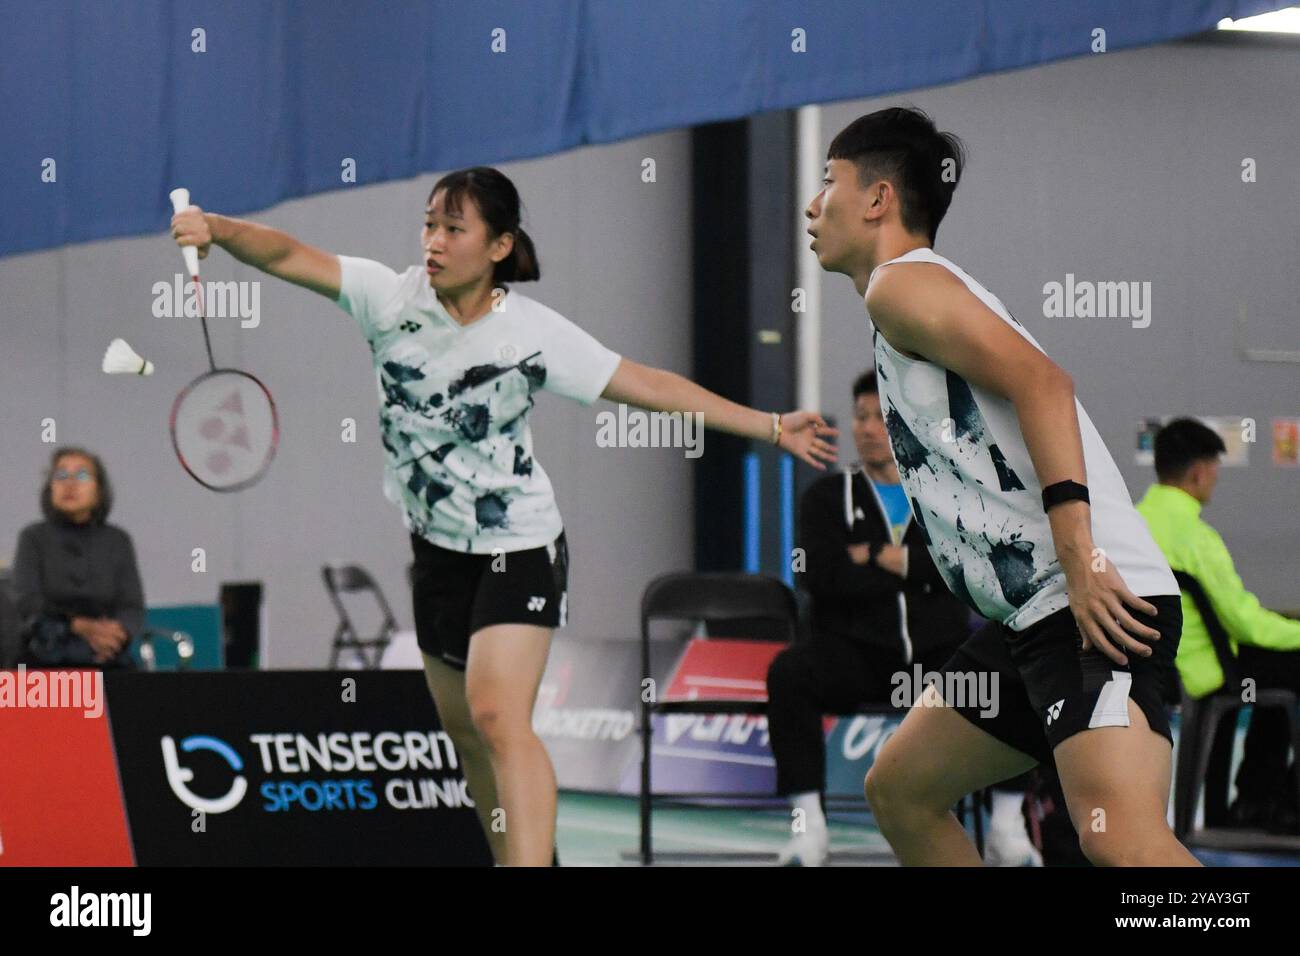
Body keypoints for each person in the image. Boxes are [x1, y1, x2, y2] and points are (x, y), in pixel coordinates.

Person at [171, 167, 837, 866]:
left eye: (453, 228)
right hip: (435, 550)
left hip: (518, 546)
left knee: (498, 716)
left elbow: (646, 384)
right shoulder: (385, 297)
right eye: (429, 223)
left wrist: (767, 426)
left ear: (498, 246)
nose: (433, 241)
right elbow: (287, 254)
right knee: (464, 734)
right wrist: (219, 229)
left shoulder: (531, 333)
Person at [804, 106, 1198, 866]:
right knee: (903, 789)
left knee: (1124, 846)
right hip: (1032, 619)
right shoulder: (912, 297)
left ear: (878, 198)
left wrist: (1080, 558)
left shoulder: (899, 286)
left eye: (830, 183)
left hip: (1088, 599)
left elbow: (1043, 383)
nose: (815, 205)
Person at [769, 369, 992, 864]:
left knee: (1006, 675)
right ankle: (809, 828)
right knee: (789, 672)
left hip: (934, 661)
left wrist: (873, 556)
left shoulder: (942, 494)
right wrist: (916, 571)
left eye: (879, 417)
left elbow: (964, 570)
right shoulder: (825, 498)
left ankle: (1012, 828)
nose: (867, 428)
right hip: (853, 657)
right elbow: (821, 577)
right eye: (860, 417)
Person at [1136, 417, 1300, 833]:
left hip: (1154, 669)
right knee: (1289, 667)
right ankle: (1265, 800)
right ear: (1199, 471)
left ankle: (1255, 799)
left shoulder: (1132, 523)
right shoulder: (1196, 537)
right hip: (1208, 670)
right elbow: (1247, 626)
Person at [12, 447, 143, 668]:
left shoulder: (118, 540)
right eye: (61, 475)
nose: (70, 484)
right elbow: (27, 601)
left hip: (106, 655)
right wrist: (78, 625)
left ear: (99, 490)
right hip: (46, 652)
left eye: (82, 475)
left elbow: (131, 607)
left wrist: (114, 637)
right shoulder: (33, 537)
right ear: (50, 488)